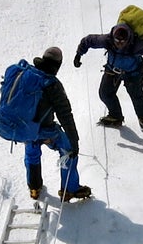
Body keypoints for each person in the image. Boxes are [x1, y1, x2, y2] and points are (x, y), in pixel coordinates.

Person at [13, 47, 92, 202]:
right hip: (46, 131)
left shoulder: (25, 74)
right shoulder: (52, 84)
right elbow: (65, 115)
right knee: (68, 150)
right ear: (58, 64)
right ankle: (69, 190)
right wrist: (74, 142)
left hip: (25, 129)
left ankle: (34, 187)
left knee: (31, 152)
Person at [73, 23, 143, 133]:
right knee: (105, 93)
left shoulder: (137, 45)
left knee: (136, 96)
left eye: (122, 41)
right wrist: (78, 54)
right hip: (112, 70)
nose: (119, 44)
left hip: (133, 74)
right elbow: (89, 40)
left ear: (128, 38)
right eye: (117, 41)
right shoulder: (108, 40)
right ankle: (116, 116)